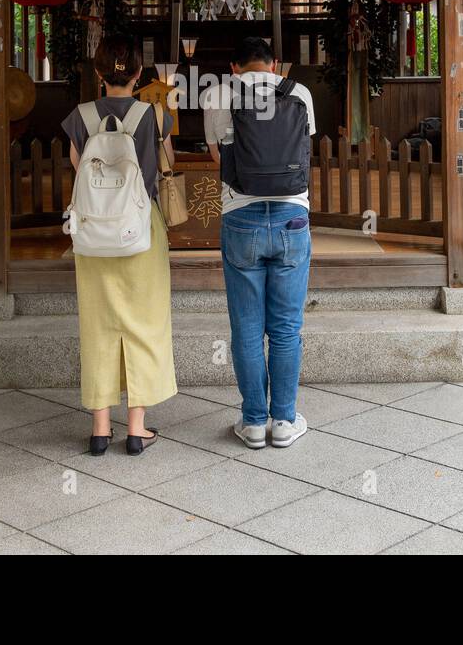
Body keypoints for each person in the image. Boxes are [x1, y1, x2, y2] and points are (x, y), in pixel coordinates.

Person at [61, 35, 176, 456]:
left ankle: (99, 428)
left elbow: (78, 169)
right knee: (144, 323)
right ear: (140, 74)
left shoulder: (81, 115)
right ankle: (137, 428)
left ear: (98, 74)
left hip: (92, 231)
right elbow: (169, 165)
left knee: (98, 324)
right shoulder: (155, 115)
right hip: (141, 229)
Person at [203, 37, 316, 449]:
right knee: (286, 328)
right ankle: (284, 421)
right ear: (275, 65)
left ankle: (253, 422)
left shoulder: (218, 93)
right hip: (292, 217)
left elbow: (218, 158)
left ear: (235, 67)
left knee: (248, 328)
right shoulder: (298, 92)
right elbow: (304, 150)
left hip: (241, 217)